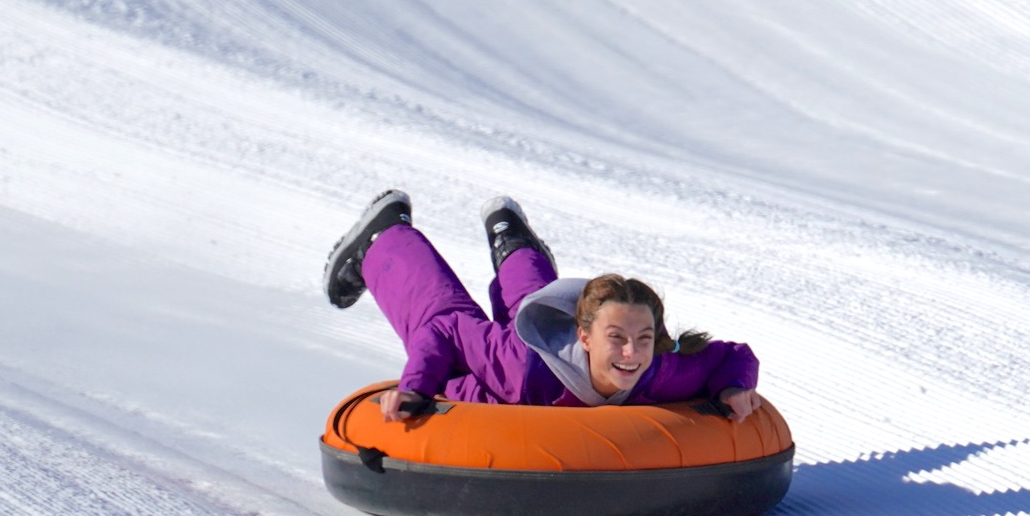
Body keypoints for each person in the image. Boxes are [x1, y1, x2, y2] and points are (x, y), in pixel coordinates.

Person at [323, 190, 762, 423]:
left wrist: (733, 387)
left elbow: (732, 355)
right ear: (586, 337)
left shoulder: (657, 369)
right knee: (441, 311)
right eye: (617, 339)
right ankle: (385, 237)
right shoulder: (519, 367)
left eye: (643, 339)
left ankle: (511, 235)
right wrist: (416, 387)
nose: (632, 353)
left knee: (531, 306)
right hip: (517, 361)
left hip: (543, 331)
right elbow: (450, 330)